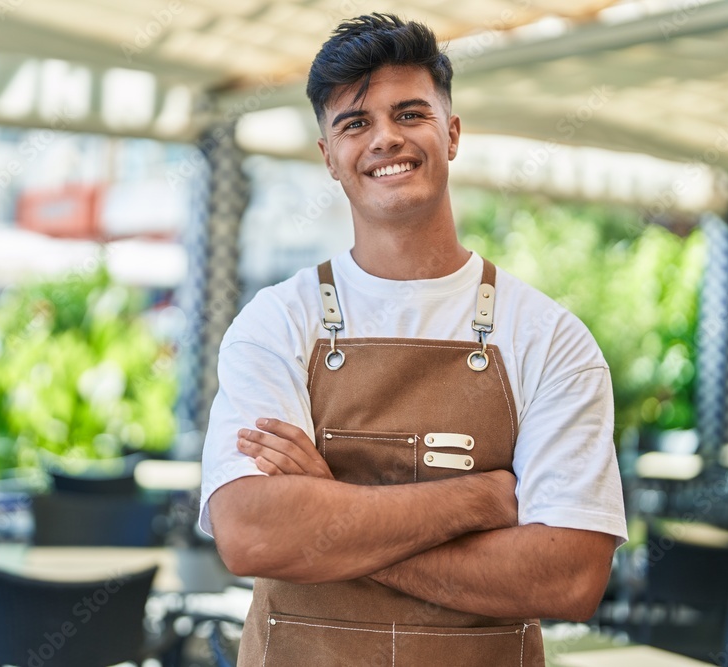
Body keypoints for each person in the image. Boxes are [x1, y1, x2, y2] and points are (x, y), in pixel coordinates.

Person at [199, 13, 628, 666]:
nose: (384, 139)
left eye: (409, 113)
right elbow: (253, 533)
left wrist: (329, 521)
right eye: (355, 123)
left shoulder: (550, 338)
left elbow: (567, 576)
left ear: (451, 133)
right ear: (328, 157)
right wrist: (477, 499)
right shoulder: (274, 324)